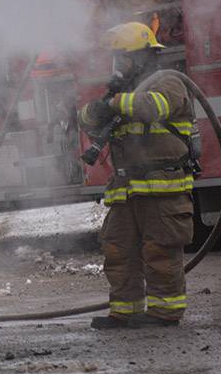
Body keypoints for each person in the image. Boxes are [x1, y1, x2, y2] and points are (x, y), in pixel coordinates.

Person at [80, 22, 197, 329]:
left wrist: (116, 103)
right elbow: (86, 118)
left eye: (125, 58)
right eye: (117, 59)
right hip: (125, 189)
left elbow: (152, 107)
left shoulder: (169, 82)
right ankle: (125, 312)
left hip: (162, 187)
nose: (119, 65)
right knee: (118, 251)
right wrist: (97, 110)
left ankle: (164, 313)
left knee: (160, 252)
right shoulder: (121, 92)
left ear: (145, 56)